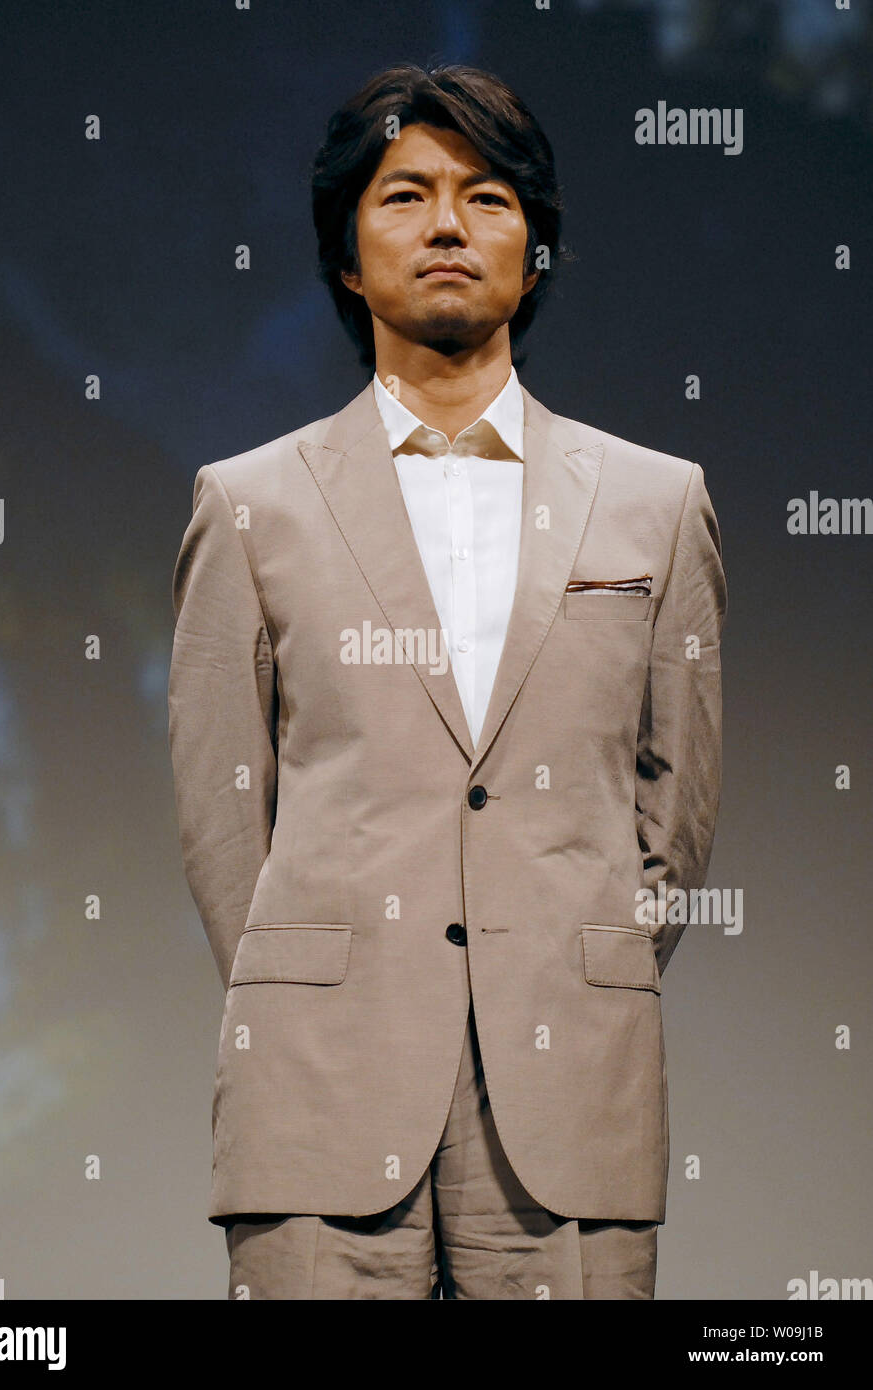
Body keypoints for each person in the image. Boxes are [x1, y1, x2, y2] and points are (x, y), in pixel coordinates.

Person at [168, 62, 727, 1300]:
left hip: (568, 1093)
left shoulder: (655, 503)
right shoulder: (249, 503)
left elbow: (674, 808)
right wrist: (315, 983)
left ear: (534, 252)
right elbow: (222, 814)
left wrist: (581, 962)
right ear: (347, 255)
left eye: (484, 197)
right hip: (320, 1084)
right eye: (404, 194)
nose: (443, 226)